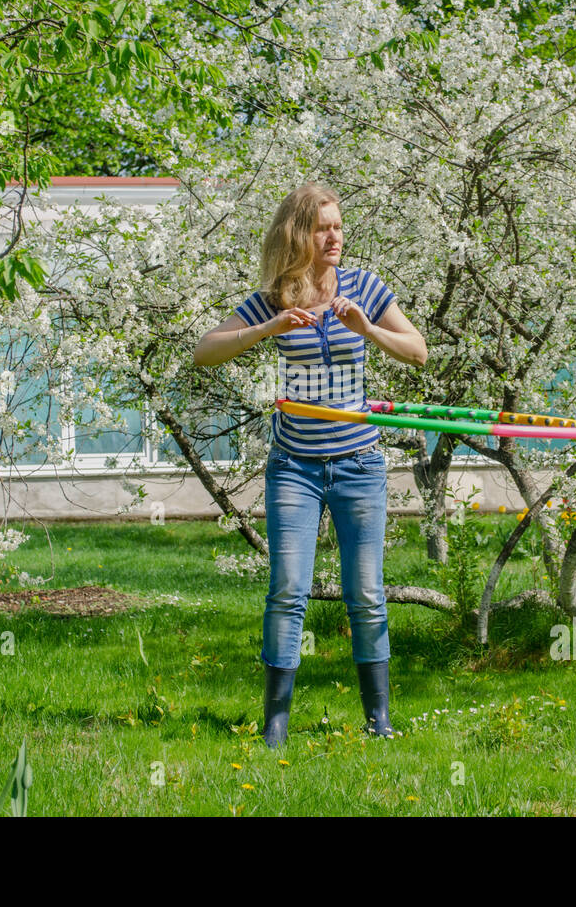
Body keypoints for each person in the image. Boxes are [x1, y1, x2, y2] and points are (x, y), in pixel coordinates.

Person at [192, 181, 427, 748]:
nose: (334, 237)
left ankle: (380, 719)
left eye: (339, 226)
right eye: (323, 227)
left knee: (366, 592)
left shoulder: (366, 288)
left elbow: (418, 352)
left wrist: (367, 330)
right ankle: (275, 725)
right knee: (288, 588)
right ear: (299, 234)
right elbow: (204, 351)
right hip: (294, 464)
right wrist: (270, 327)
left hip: (359, 463)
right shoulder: (278, 294)